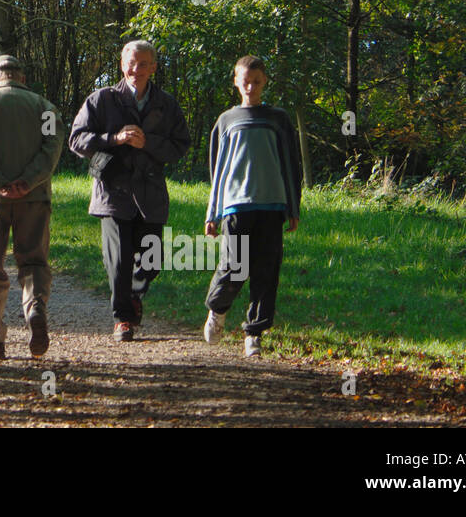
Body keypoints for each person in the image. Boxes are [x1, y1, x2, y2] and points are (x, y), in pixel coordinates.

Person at [68, 39, 190, 342]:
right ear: (123, 65)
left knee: (153, 259)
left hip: (150, 192)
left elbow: (180, 146)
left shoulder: (167, 103)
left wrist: (147, 142)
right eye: (131, 63)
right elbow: (76, 140)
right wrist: (114, 138)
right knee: (119, 260)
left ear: (154, 67)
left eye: (143, 63)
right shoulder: (101, 99)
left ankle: (136, 294)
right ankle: (122, 319)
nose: (136, 69)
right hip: (113, 191)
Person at [0, 55, 64, 361]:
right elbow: (51, 150)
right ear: (21, 78)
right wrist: (28, 182)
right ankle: (34, 310)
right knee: (33, 263)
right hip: (33, 199)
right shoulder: (44, 107)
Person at [202, 55, 302, 358]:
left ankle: (254, 333)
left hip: (272, 206)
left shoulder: (278, 119)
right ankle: (217, 311)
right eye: (245, 80)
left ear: (265, 82)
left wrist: (293, 207)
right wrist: (213, 213)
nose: (251, 86)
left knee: (266, 270)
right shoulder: (226, 121)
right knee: (235, 265)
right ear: (235, 81)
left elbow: (290, 165)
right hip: (236, 206)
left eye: (257, 81)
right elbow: (217, 171)